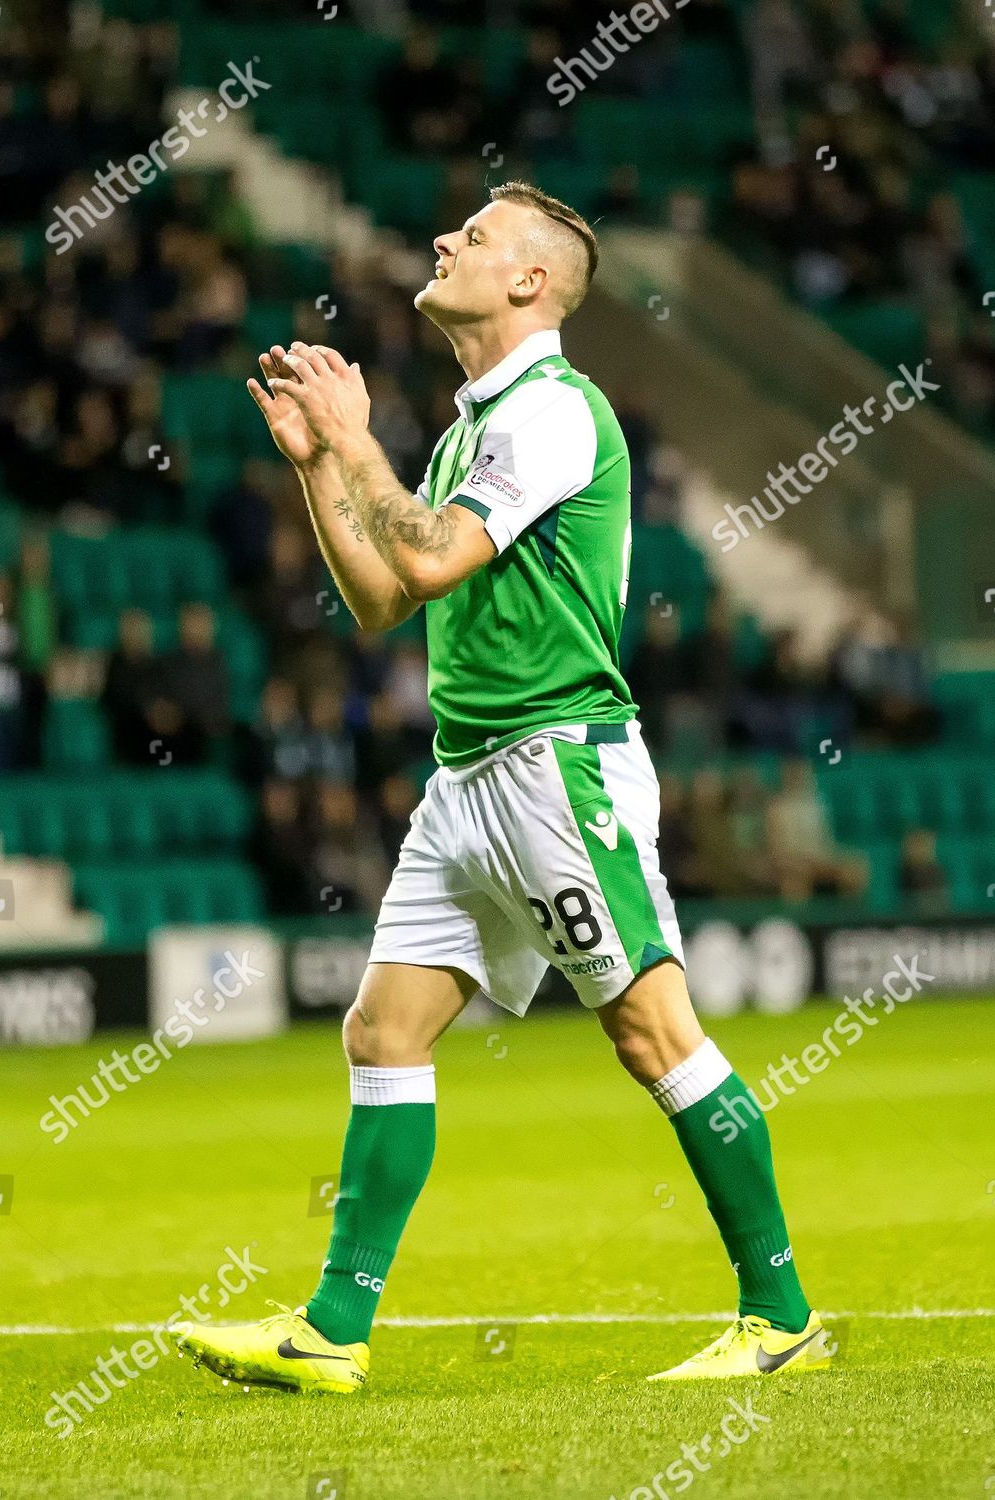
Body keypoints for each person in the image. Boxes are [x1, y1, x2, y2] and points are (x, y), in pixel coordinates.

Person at [177, 181, 830, 1393]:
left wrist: (361, 441)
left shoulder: (554, 417)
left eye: (472, 236)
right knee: (381, 1029)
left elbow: (423, 555)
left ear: (529, 280)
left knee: (652, 1037)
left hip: (554, 771)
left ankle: (778, 1312)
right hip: (466, 780)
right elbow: (384, 596)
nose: (442, 241)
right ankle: (332, 1328)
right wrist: (326, 468)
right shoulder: (472, 430)